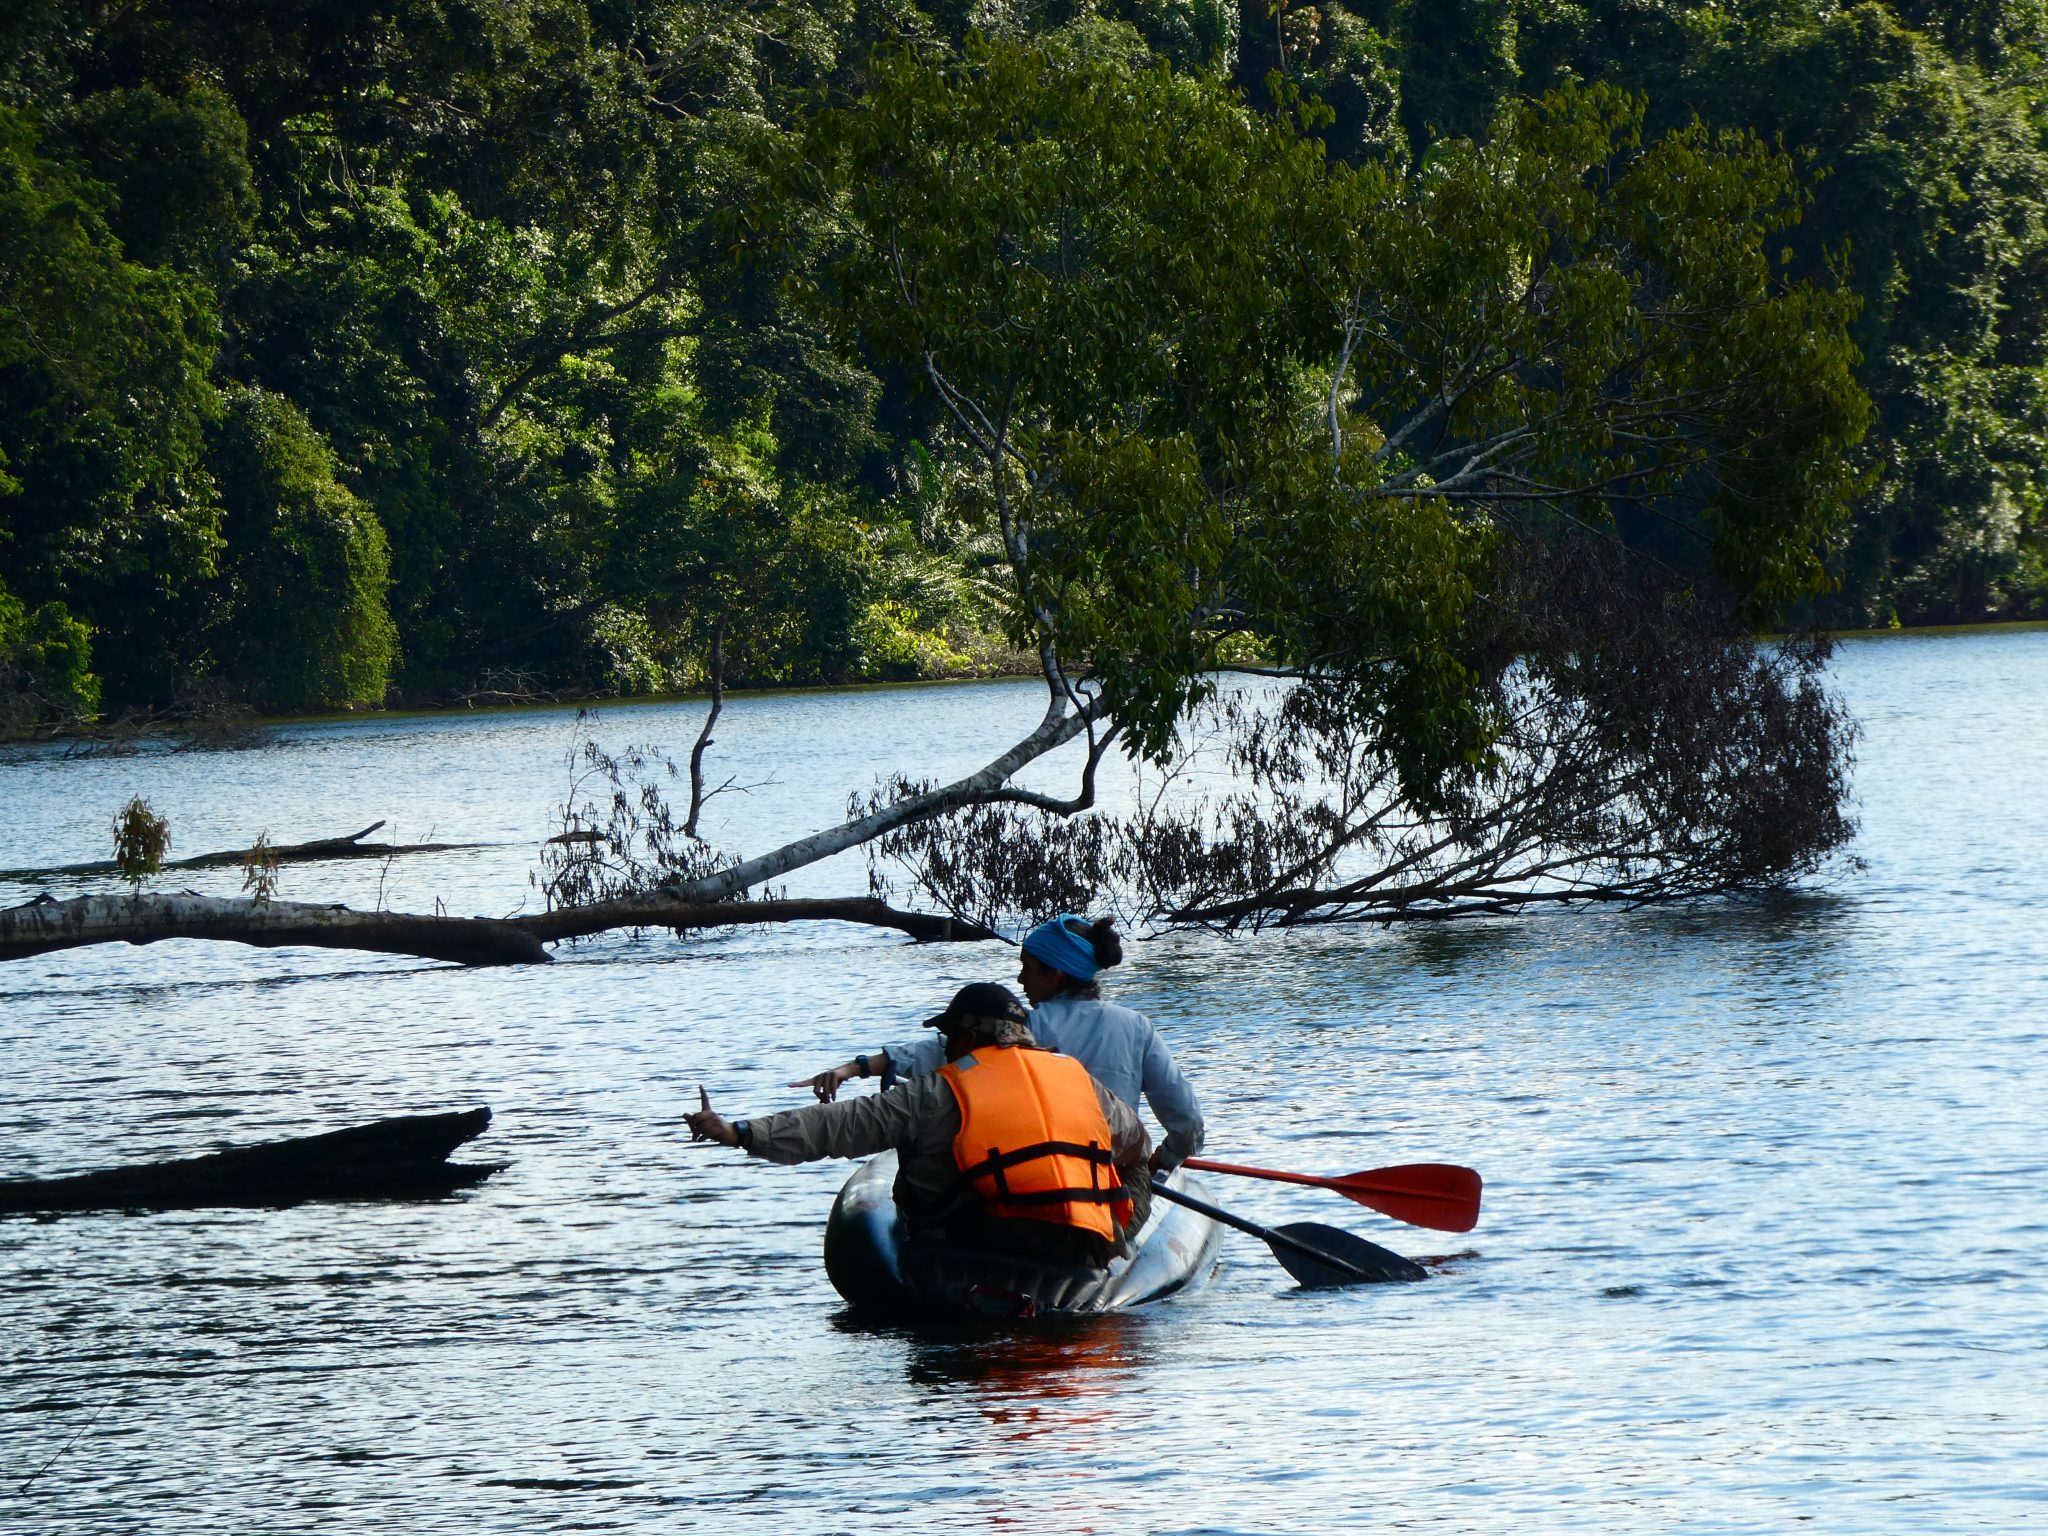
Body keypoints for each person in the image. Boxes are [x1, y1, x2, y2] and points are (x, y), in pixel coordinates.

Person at [686, 982, 1151, 1266]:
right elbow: (1139, 1153)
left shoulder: (934, 1092)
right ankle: (1110, 1253)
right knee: (1136, 1170)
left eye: (950, 1035)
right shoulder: (1083, 1085)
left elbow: (838, 1125)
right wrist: (1120, 1232)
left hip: (974, 1243)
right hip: (1073, 1243)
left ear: (969, 1037)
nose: (946, 1045)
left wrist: (740, 1133)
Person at [792, 914, 1206, 1172]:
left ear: (1056, 975)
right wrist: (1160, 1164)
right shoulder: (1137, 1027)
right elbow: (1187, 1124)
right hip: (1108, 1172)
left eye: (1027, 969)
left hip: (1024, 1172)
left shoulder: (1018, 1028)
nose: (1022, 980)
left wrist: (853, 1068)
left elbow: (929, 1052)